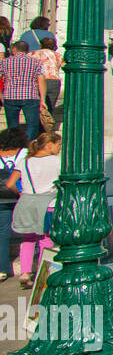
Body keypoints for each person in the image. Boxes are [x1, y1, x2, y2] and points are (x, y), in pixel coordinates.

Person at [5, 131, 60, 288]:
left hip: (26, 203)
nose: (59, 149)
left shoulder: (25, 161)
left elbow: (9, 184)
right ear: (49, 145)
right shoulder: (57, 161)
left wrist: (21, 192)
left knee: (27, 240)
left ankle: (25, 272)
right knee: (45, 239)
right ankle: (45, 272)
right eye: (58, 145)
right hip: (48, 204)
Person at [0, 41, 46, 141]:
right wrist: (43, 99)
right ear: (27, 50)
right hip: (30, 95)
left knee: (12, 125)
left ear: (14, 49)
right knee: (32, 124)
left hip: (10, 95)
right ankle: (26, 145)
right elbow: (41, 81)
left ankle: (15, 145)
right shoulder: (36, 62)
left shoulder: (4, 62)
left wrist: (1, 95)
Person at [0, 126, 28, 281]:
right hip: (20, 196)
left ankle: (2, 269)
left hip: (1, 199)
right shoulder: (23, 154)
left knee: (2, 234)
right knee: (28, 232)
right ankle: (27, 267)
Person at [33, 36, 61, 122]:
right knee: (50, 106)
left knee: (37, 105)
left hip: (38, 80)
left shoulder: (33, 54)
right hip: (54, 81)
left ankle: (37, 124)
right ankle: (48, 125)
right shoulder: (58, 55)